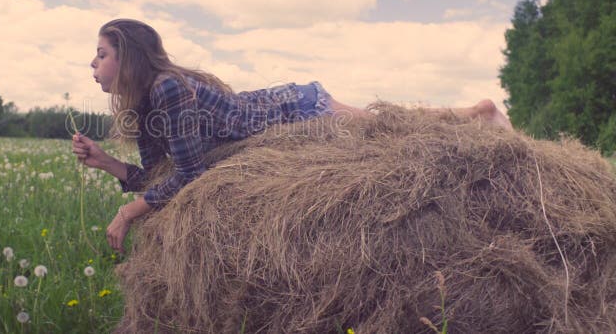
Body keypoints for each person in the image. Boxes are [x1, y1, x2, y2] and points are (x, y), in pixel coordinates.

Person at [72, 19, 512, 253]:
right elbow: (162, 178)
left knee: (391, 127)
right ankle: (474, 112)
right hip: (282, 125)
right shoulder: (145, 104)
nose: (93, 63)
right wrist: (107, 163)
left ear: (128, 58)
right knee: (389, 128)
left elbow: (190, 175)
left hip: (299, 111)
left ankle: (478, 113)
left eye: (101, 54)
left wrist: (129, 212)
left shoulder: (168, 87)